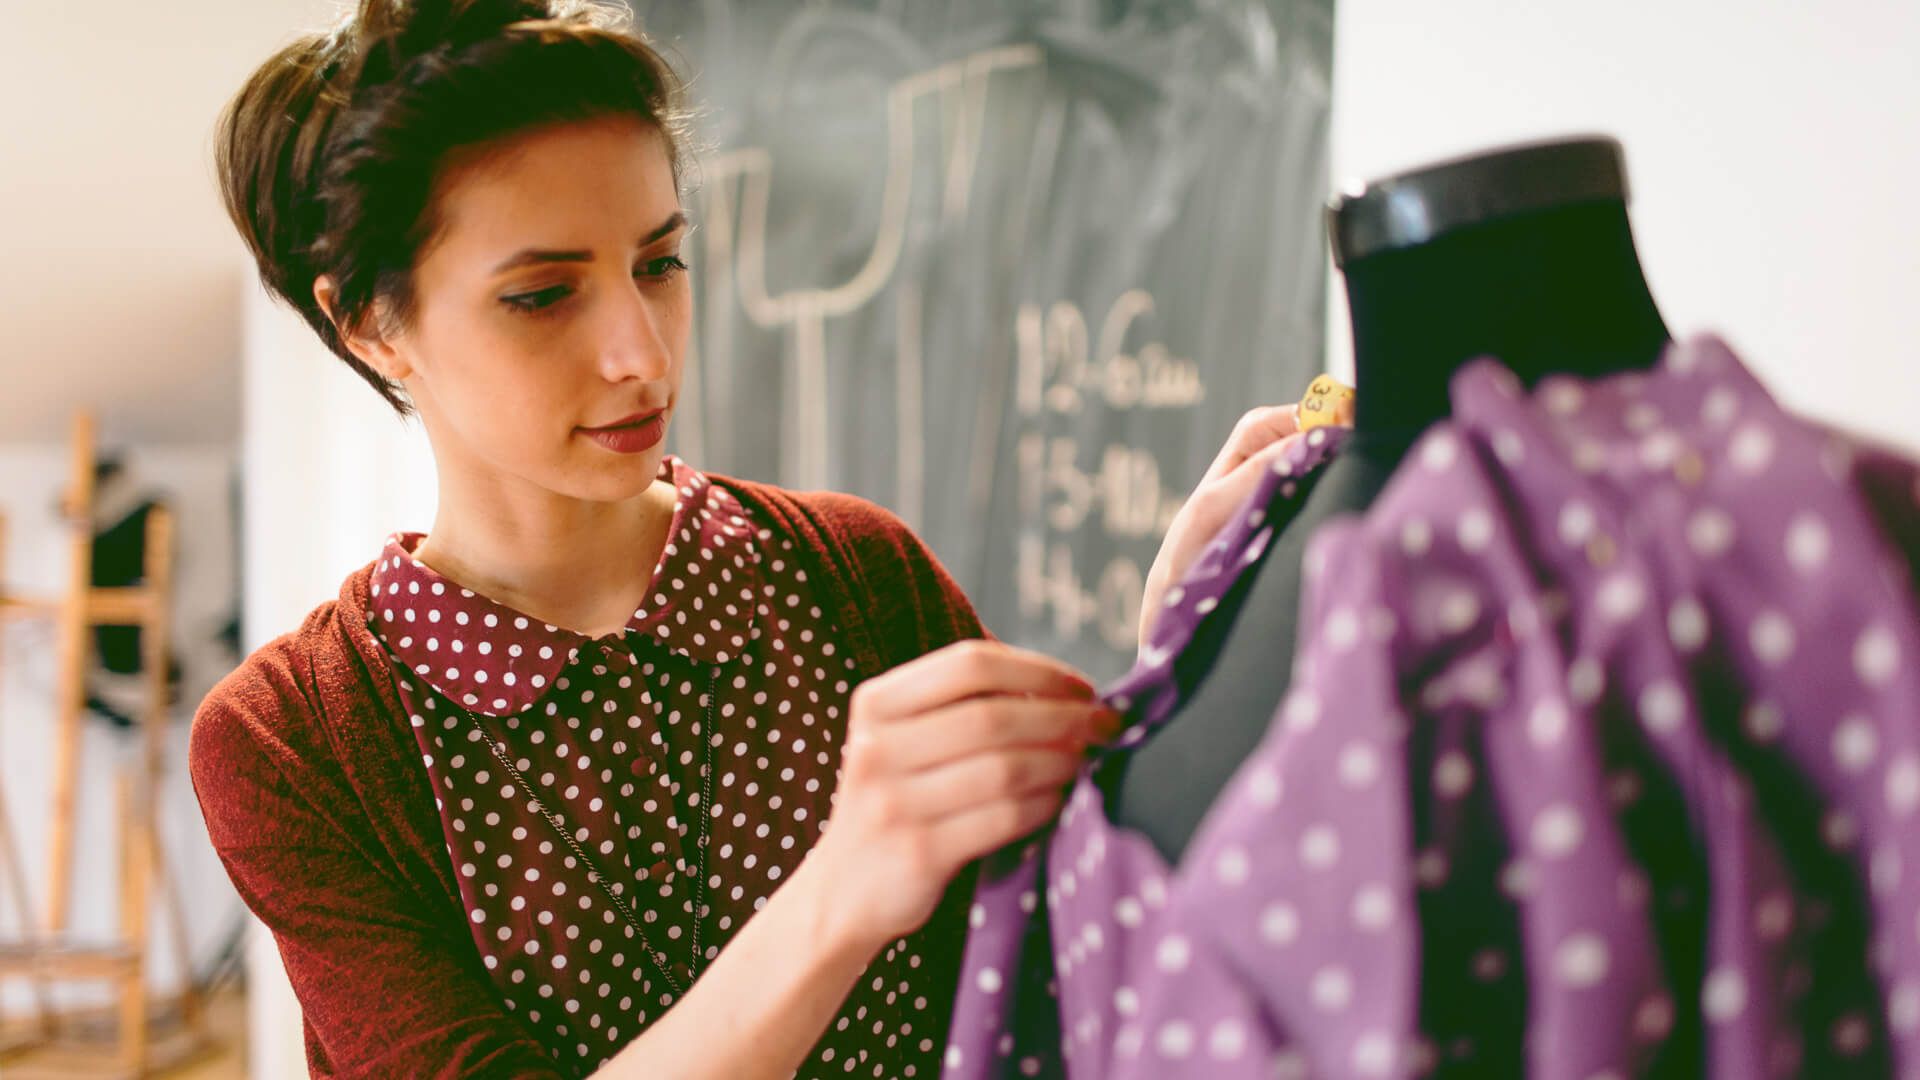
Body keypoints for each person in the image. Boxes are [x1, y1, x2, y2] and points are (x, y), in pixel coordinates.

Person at [189, 2, 1309, 1076]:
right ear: (372, 325)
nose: (642, 351)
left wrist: (1182, 649)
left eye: (659, 263)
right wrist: (844, 888)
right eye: (543, 295)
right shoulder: (295, 744)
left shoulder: (857, 576)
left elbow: (1072, 947)